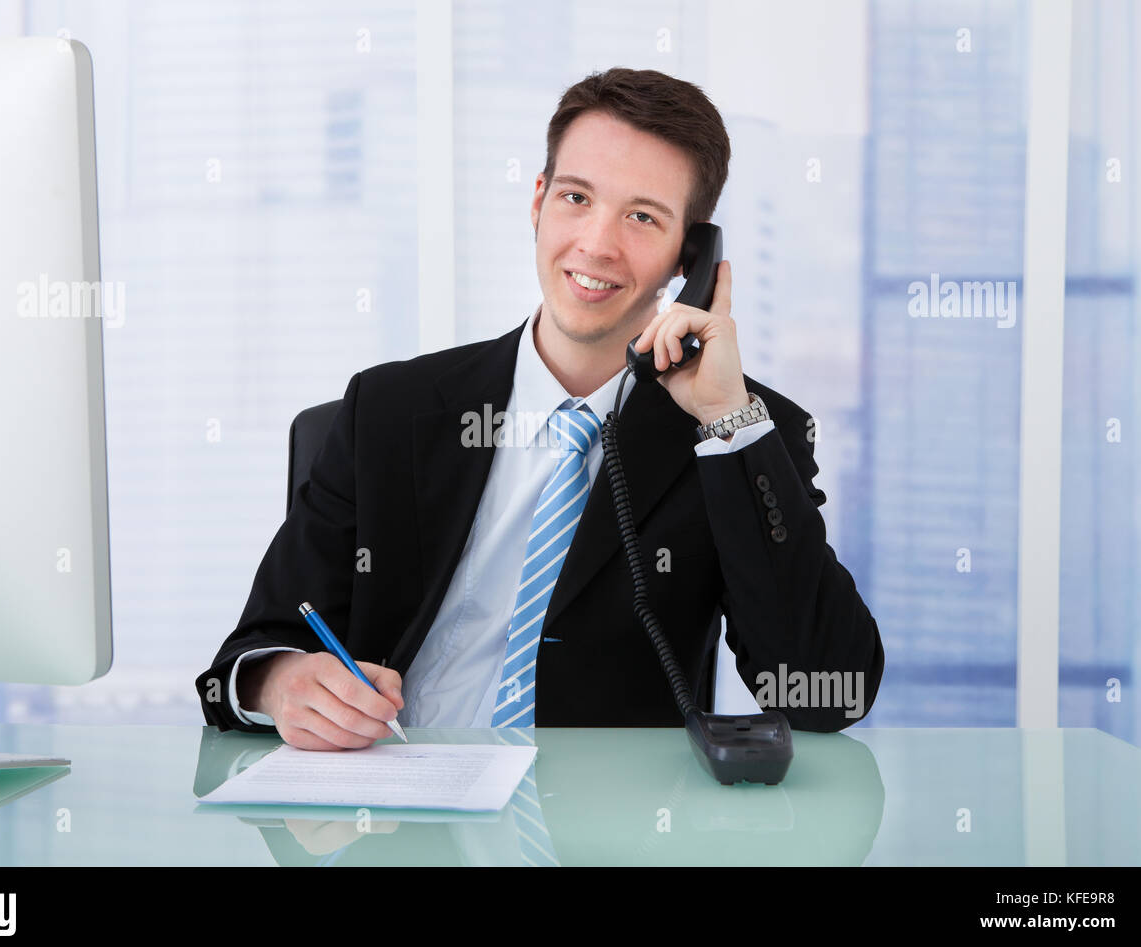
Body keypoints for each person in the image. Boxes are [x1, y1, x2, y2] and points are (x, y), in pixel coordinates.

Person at [195, 67, 884, 750]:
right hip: (392, 811)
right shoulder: (388, 410)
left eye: (643, 217)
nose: (597, 244)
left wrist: (725, 419)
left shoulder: (737, 430)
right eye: (577, 198)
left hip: (597, 834)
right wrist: (280, 683)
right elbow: (248, 656)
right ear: (538, 202)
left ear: (690, 254)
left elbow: (829, 684)